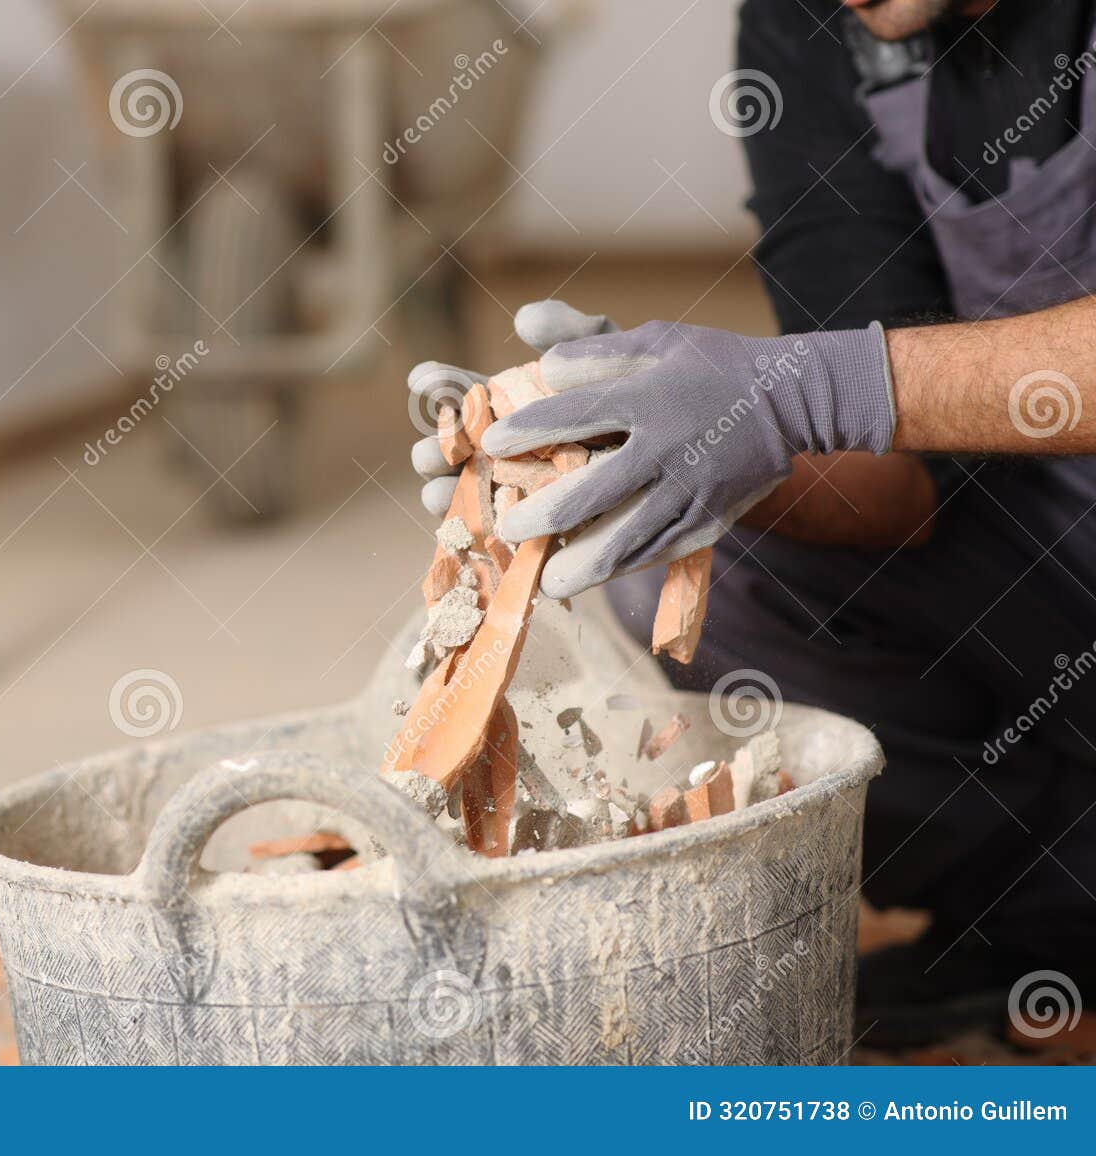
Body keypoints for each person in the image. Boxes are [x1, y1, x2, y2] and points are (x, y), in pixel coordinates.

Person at [410, 0, 1096, 1047]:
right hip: (1043, 573)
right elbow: (892, 486)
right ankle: (1053, 913)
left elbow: (838, 389)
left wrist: (808, 385)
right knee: (681, 563)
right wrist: (650, 434)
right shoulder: (805, 25)